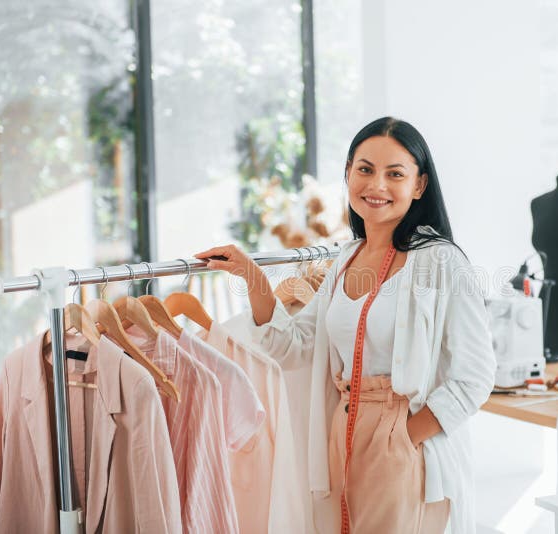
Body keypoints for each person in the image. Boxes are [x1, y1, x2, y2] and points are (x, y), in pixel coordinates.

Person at [195, 117, 495, 534]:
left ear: (420, 185)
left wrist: (404, 437)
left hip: (402, 436)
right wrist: (253, 276)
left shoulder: (440, 261)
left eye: (395, 174)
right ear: (348, 173)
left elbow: (475, 376)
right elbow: (294, 346)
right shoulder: (344, 261)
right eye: (365, 169)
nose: (377, 186)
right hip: (345, 430)